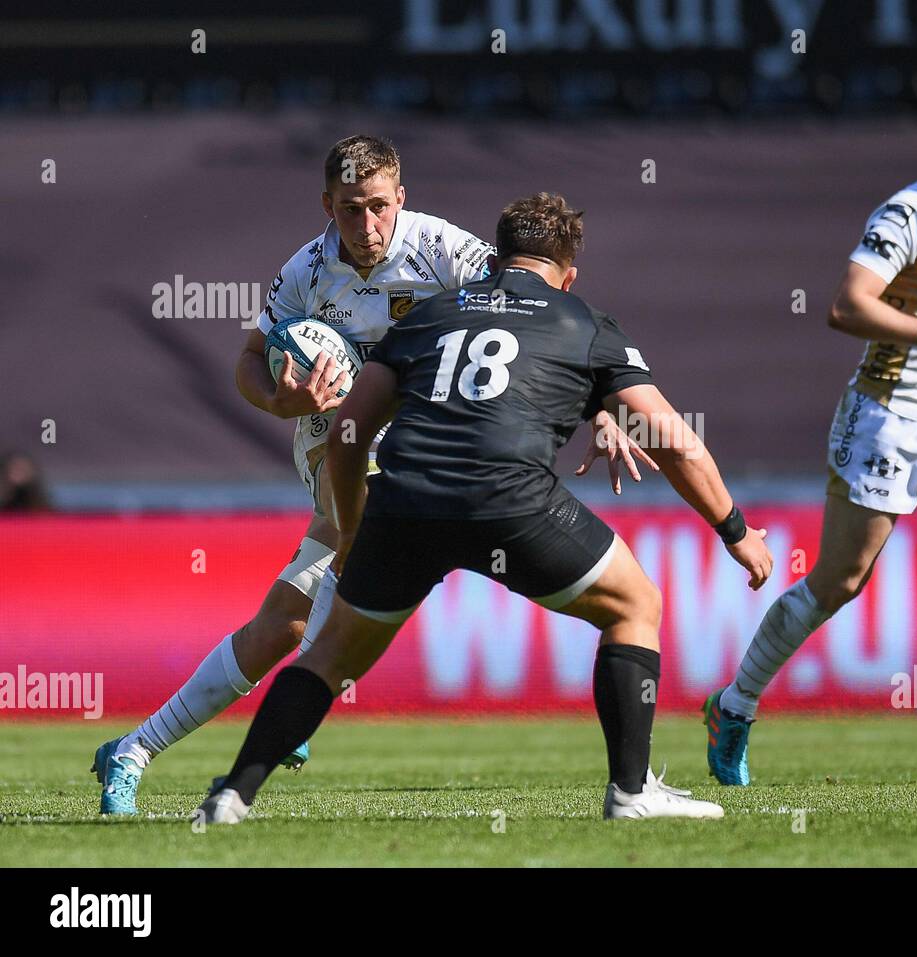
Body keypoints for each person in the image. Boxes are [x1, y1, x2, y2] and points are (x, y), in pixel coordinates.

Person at [93, 138, 648, 815]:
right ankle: (298, 695)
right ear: (327, 205)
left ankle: (135, 747)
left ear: (401, 200)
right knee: (357, 517)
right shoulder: (305, 270)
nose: (366, 226)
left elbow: (531, 319)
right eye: (351, 210)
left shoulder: (448, 252)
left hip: (420, 434)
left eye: (379, 207)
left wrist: (603, 409)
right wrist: (280, 400)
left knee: (285, 625)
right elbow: (248, 358)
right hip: (335, 435)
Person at [196, 192, 773, 824]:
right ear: (567, 274)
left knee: (329, 654)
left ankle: (232, 795)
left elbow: (348, 432)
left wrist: (356, 528)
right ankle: (632, 794)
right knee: (636, 606)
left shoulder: (427, 315)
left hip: (406, 500)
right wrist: (734, 529)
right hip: (510, 500)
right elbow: (673, 440)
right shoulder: (583, 322)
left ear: (495, 258)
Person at [704, 93, 917, 785]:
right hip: (886, 416)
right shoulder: (911, 212)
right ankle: (733, 707)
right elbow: (846, 305)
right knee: (840, 580)